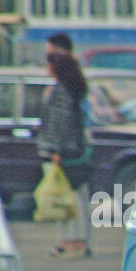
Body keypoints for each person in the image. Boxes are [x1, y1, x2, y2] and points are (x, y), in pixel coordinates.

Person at [38, 50, 93, 257]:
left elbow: (59, 123)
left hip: (61, 153)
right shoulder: (75, 88)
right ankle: (80, 240)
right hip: (75, 151)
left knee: (64, 198)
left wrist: (56, 151)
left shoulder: (60, 91)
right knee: (78, 197)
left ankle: (69, 241)